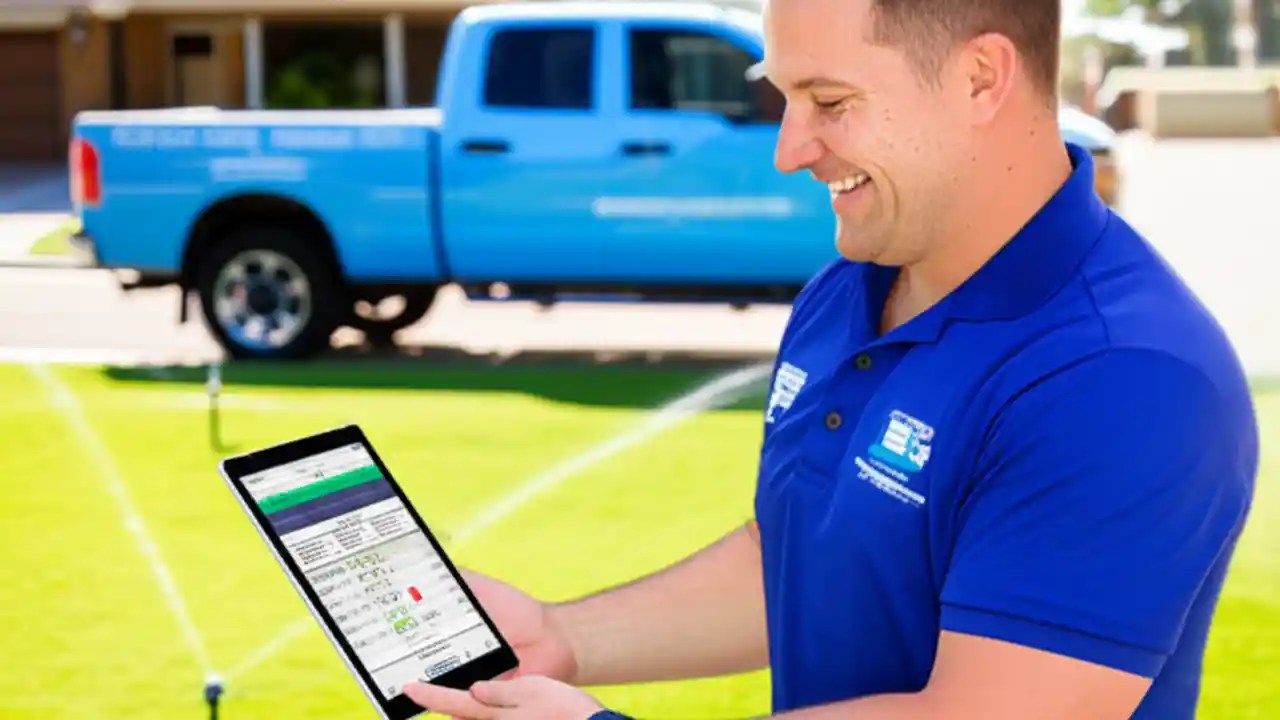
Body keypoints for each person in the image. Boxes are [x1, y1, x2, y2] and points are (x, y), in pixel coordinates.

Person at [403, 0, 1259, 717]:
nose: (788, 149)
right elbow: (811, 552)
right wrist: (563, 639)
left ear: (981, 78)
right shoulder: (849, 286)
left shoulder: (1123, 377)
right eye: (782, 97)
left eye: (829, 100)